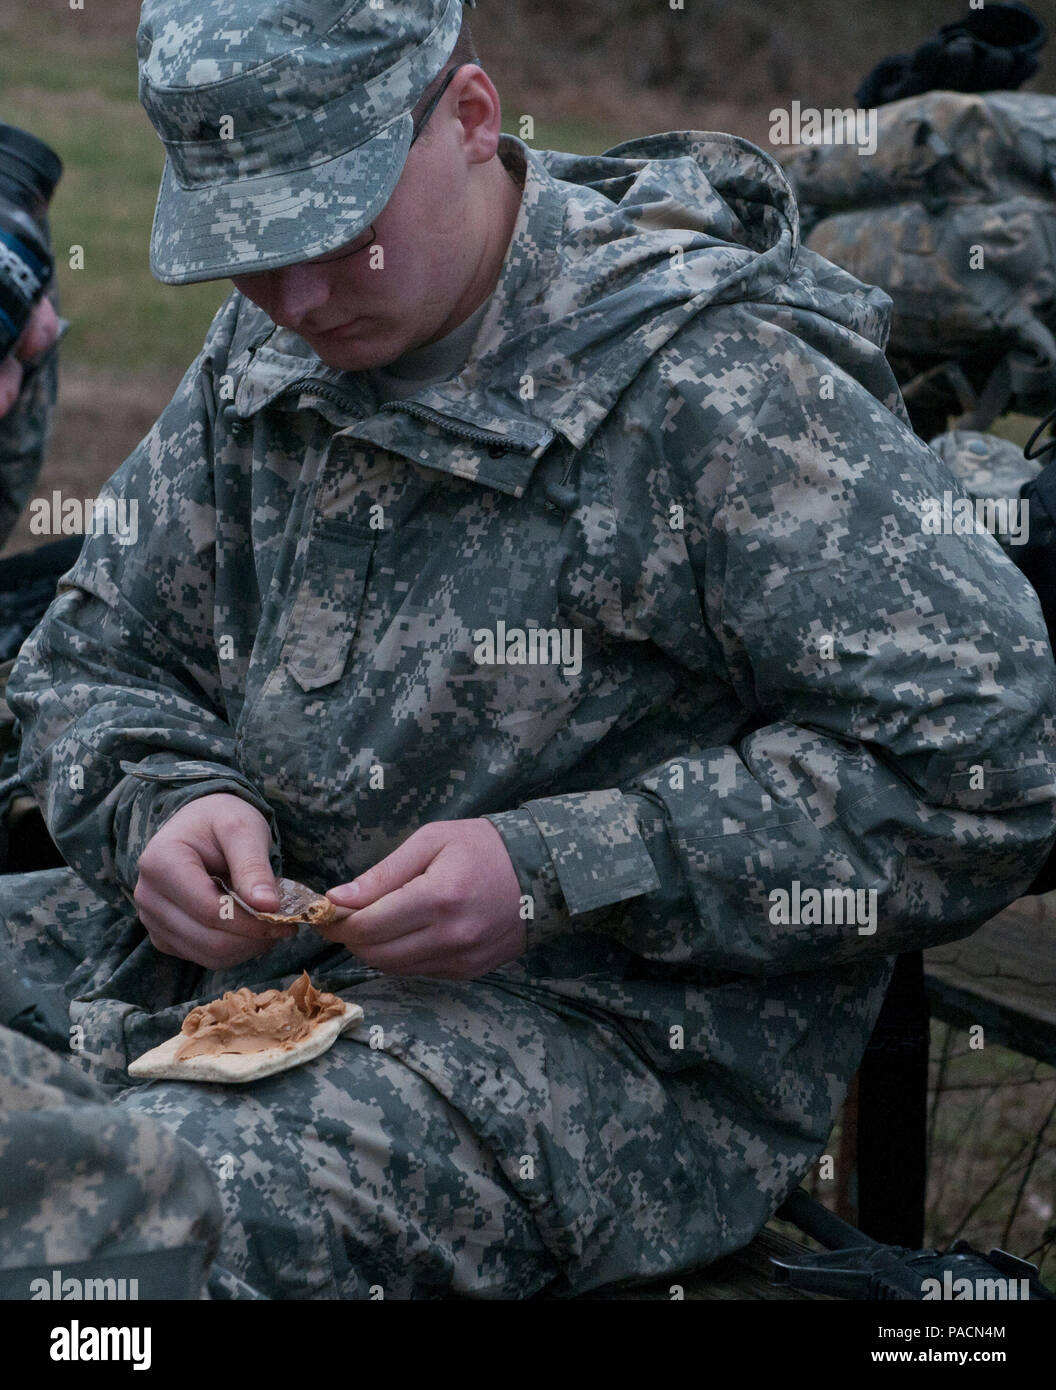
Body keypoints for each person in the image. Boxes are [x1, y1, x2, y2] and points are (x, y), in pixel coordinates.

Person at [2, 0, 1056, 1299]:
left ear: (472, 119)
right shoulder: (270, 344)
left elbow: (980, 768)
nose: (300, 295)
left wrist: (556, 869)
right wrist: (167, 806)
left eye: (336, 232)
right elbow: (88, 660)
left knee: (79, 1243)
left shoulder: (715, 384)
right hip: (248, 975)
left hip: (586, 1048)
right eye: (249, 251)